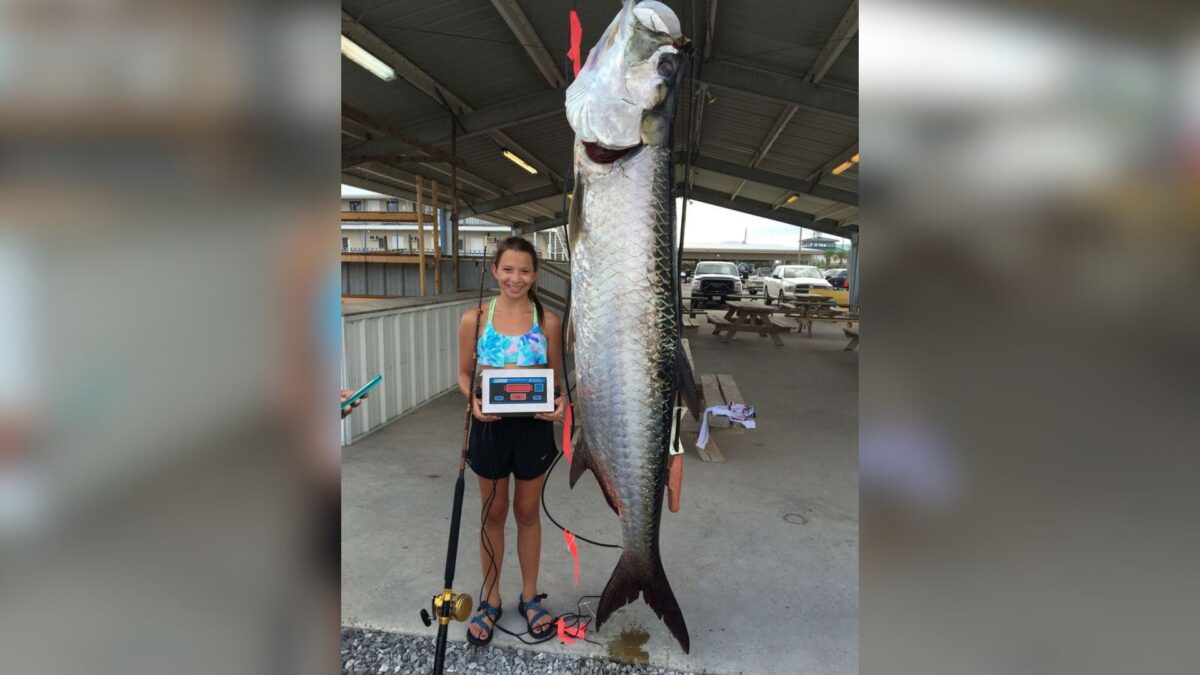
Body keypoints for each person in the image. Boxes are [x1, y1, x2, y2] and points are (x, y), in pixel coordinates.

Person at [456, 236, 565, 646]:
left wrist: (559, 404)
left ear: (535, 275)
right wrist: (472, 400)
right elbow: (464, 374)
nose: (515, 278)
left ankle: (529, 596)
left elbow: (557, 379)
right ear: (494, 271)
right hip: (489, 427)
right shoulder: (475, 318)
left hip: (533, 429)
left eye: (524, 270)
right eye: (507, 269)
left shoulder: (548, 320)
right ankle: (491, 599)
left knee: (527, 511)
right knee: (494, 513)